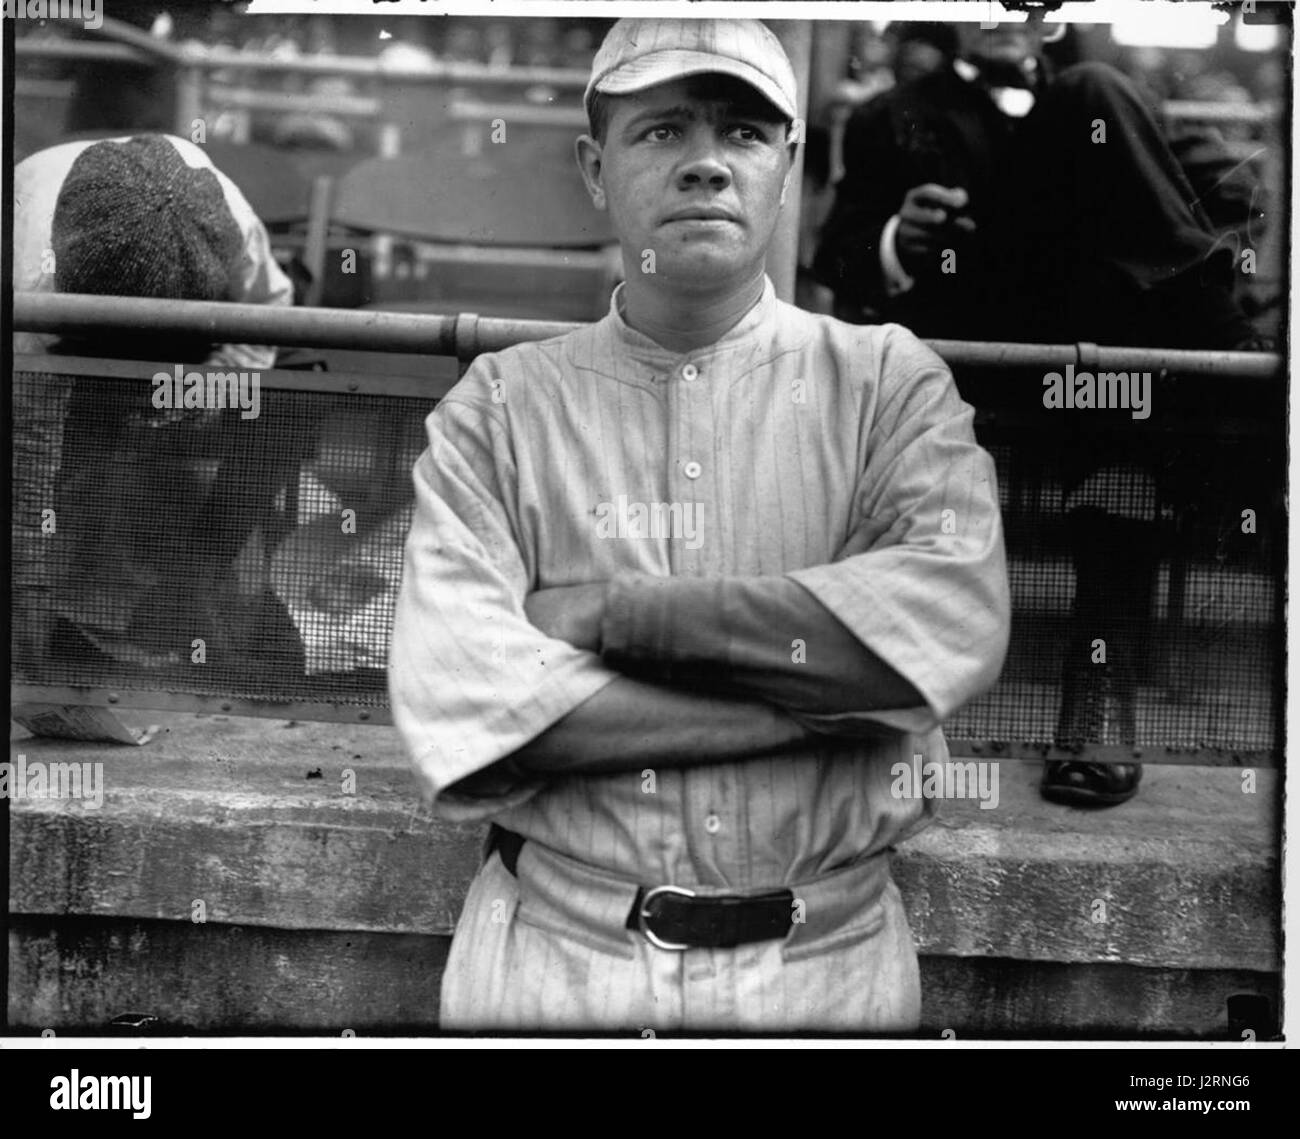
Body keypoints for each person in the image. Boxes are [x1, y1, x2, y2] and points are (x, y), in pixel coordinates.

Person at [389, 18, 1010, 1034]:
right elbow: (465, 700)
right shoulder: (496, 407)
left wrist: (612, 617)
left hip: (827, 968)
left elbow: (949, 626)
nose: (707, 165)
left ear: (788, 164)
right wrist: (836, 701)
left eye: (745, 133)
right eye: (662, 131)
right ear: (596, 167)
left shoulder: (891, 381)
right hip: (557, 958)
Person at [813, 17, 1265, 807]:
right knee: (1096, 98)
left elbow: (1228, 192)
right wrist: (897, 237)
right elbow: (837, 257)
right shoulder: (901, 111)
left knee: (1122, 422)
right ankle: (1235, 369)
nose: (998, 13)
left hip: (1096, 362)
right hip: (986, 339)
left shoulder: (1111, 101)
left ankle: (1093, 705)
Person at [12, 133, 302, 686]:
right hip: (51, 354)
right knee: (54, 485)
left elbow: (268, 314)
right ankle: (63, 610)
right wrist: (27, 616)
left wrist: (202, 391)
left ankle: (200, 574)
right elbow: (28, 454)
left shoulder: (229, 223)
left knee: (291, 398)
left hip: (191, 363)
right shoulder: (28, 274)